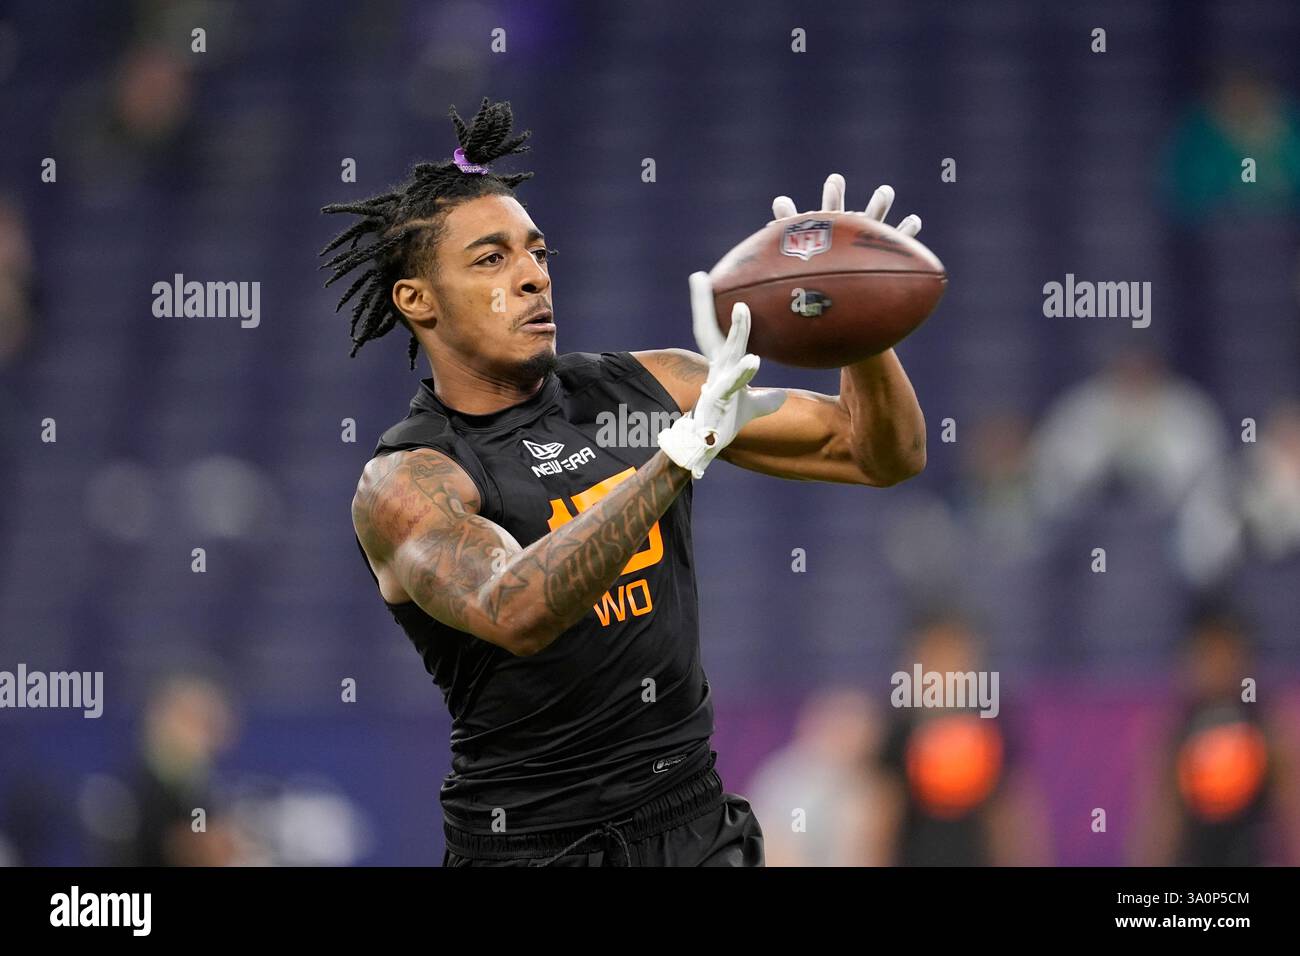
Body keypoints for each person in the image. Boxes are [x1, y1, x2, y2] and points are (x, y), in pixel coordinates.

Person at [326, 98, 928, 866]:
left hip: (693, 822)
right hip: (533, 843)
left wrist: (861, 331)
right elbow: (514, 607)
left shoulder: (647, 386)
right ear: (417, 300)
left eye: (537, 252)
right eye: (491, 259)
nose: (533, 276)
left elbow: (880, 454)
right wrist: (675, 459)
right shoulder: (407, 480)